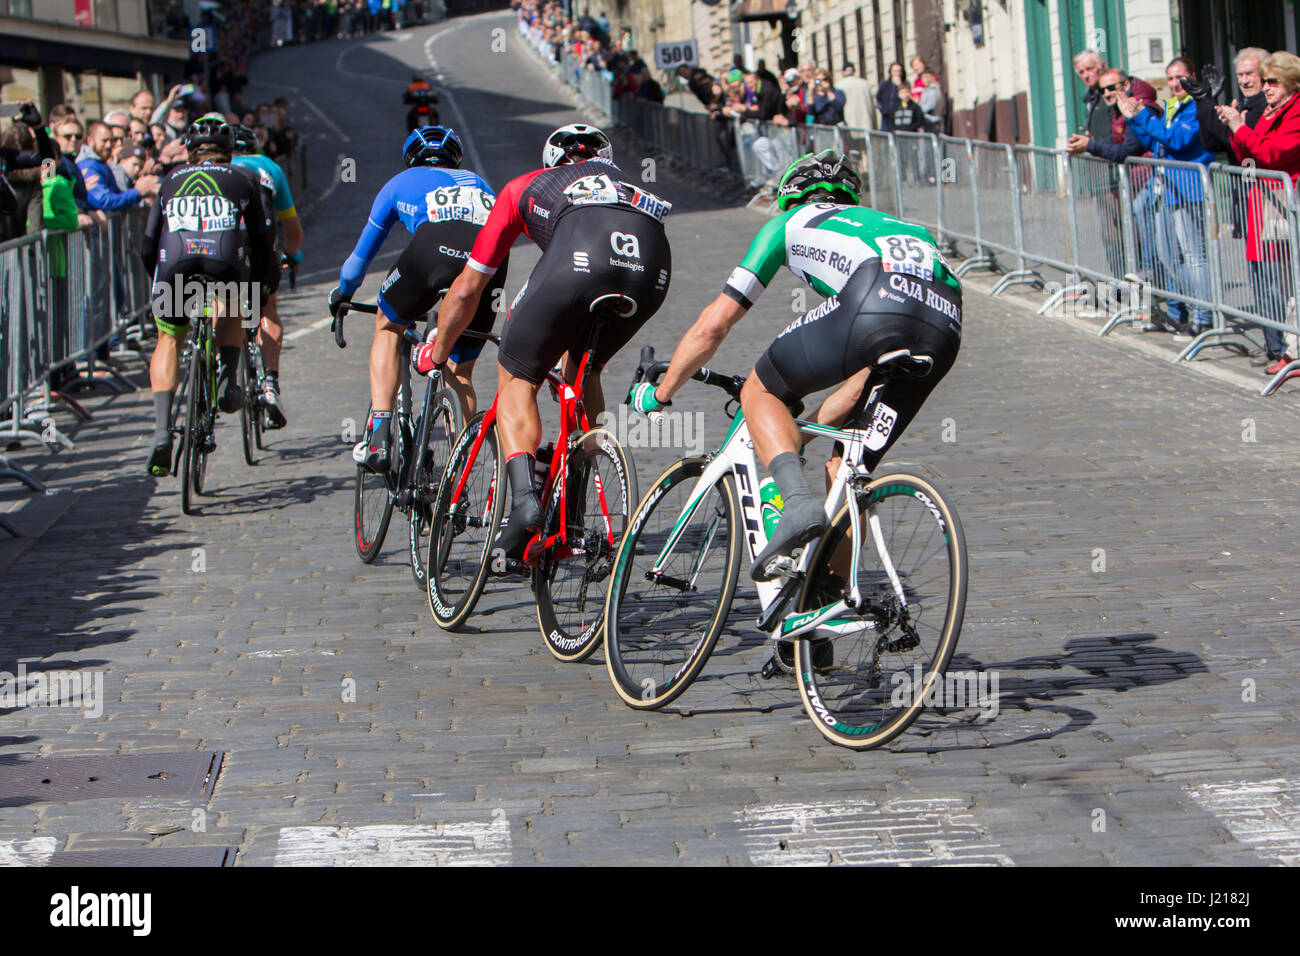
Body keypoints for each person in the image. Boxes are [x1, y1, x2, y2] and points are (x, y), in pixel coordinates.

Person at [627, 149, 960, 661]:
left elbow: (715, 324)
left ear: (790, 194)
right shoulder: (892, 224)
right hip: (943, 321)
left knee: (759, 391)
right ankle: (821, 605)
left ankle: (795, 503)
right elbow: (858, 387)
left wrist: (661, 390)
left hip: (872, 301)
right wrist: (798, 430)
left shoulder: (788, 222)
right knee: (846, 466)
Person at [418, 123, 672, 560]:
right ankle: (574, 498)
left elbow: (466, 289)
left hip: (579, 258)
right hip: (651, 267)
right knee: (584, 371)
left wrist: (439, 350)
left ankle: (524, 506)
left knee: (517, 375)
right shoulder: (626, 183)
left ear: (552, 163)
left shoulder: (525, 186)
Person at [329, 126, 506, 472]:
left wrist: (343, 295)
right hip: (488, 263)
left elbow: (357, 263)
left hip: (433, 250)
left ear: (411, 160)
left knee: (389, 323)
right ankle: (459, 477)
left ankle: (379, 434)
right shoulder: (478, 183)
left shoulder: (399, 183)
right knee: (460, 370)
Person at [141, 117, 277, 475]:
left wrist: (156, 281)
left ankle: (159, 432)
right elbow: (262, 241)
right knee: (234, 301)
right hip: (225, 263)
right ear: (228, 152)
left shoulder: (170, 179)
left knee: (168, 339)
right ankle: (229, 380)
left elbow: (146, 240)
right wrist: (264, 281)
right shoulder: (243, 177)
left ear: (190, 152)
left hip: (175, 266)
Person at [1217, 51, 1300, 373]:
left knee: (1292, 284)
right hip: (1267, 203)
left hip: (1286, 203)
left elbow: (1273, 153)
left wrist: (1241, 128)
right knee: (1279, 282)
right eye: (1264, 81)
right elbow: (1248, 155)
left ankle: (1292, 351)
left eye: (1272, 81)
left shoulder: (1294, 111)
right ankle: (1288, 349)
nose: (1265, 87)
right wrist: (1235, 129)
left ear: (1290, 82)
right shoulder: (1270, 111)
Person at [1121, 58, 1215, 333]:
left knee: (1194, 256)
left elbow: (1178, 140)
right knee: (1167, 256)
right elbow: (1156, 142)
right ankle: (1190, 309)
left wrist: (1142, 116)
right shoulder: (1173, 107)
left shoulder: (1195, 107)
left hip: (1189, 189)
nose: (1175, 84)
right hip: (1167, 190)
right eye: (1171, 78)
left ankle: (1203, 316)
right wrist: (1135, 118)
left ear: (1193, 77)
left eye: (1181, 77)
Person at [231, 123, 304, 427]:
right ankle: (270, 382)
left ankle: (220, 372)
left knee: (223, 305)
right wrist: (293, 256)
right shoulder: (269, 167)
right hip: (262, 246)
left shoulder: (216, 166)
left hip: (224, 248)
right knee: (267, 309)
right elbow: (291, 226)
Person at [1065, 67, 1159, 281]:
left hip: (1146, 180)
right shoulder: (1114, 106)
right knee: (1126, 237)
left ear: (1125, 86)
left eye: (1110, 88)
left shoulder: (1136, 106)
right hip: (1128, 179)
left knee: (1151, 247)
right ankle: (1137, 288)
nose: (1106, 93)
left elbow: (1129, 150)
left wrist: (1091, 146)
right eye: (1103, 90)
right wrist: (1092, 143)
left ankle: (1164, 299)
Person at [1187, 47, 1269, 154]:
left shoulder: (1267, 105)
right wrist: (1206, 102)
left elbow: (1230, 139)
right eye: (1240, 75)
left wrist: (1206, 102)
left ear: (1264, 74)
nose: (1244, 81)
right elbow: (1211, 143)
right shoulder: (1244, 104)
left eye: (1249, 74)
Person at [77, 121, 159, 212]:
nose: (108, 145)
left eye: (111, 141)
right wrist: (137, 192)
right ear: (90, 141)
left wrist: (144, 193)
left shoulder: (100, 163)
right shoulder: (89, 167)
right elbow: (104, 201)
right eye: (104, 141)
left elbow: (116, 194)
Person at [838, 62, 873, 130]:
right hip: (866, 124)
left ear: (842, 72)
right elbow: (871, 106)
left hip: (848, 124)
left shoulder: (839, 85)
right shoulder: (865, 84)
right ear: (854, 71)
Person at [877, 62, 905, 132]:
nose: (897, 73)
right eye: (895, 71)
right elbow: (878, 98)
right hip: (886, 115)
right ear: (891, 72)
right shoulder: (885, 84)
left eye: (899, 71)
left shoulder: (904, 84)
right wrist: (883, 109)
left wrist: (899, 86)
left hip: (899, 115)